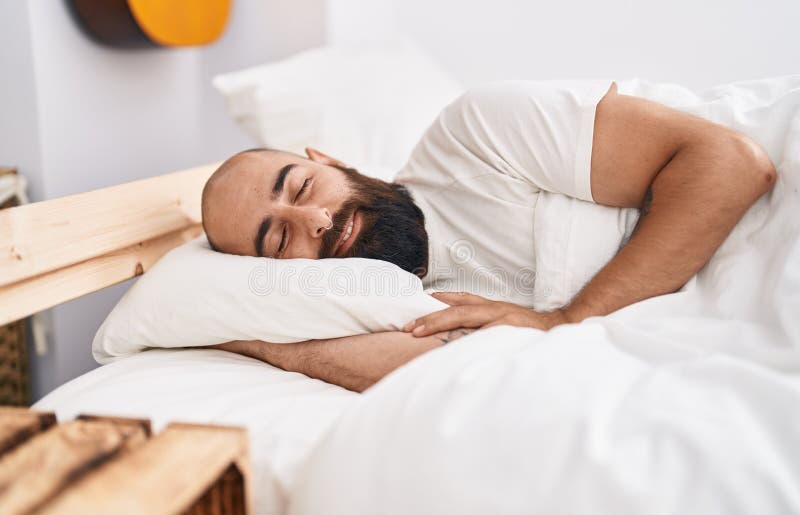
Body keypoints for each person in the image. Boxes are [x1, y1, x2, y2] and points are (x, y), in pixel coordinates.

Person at [201, 80, 776, 392]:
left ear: (330, 160)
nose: (317, 221)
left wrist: (566, 322)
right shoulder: (375, 304)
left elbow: (729, 164)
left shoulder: (472, 134)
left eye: (302, 188)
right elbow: (430, 376)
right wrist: (250, 339)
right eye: (278, 240)